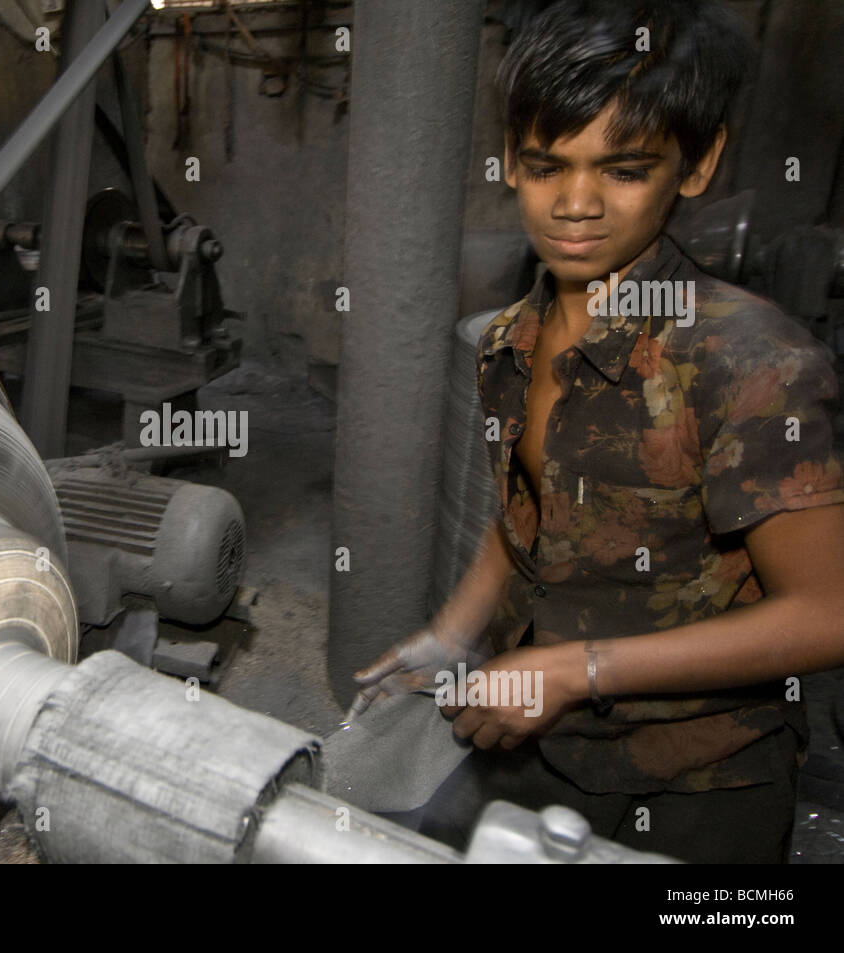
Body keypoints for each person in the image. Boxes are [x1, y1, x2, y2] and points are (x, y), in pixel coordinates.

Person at [346, 0, 844, 863]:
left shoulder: (753, 363)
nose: (575, 205)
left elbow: (830, 613)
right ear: (512, 160)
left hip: (701, 781)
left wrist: (577, 670)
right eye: (546, 166)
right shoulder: (513, 339)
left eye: (621, 170)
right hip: (539, 747)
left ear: (697, 164)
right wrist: (455, 633)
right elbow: (529, 520)